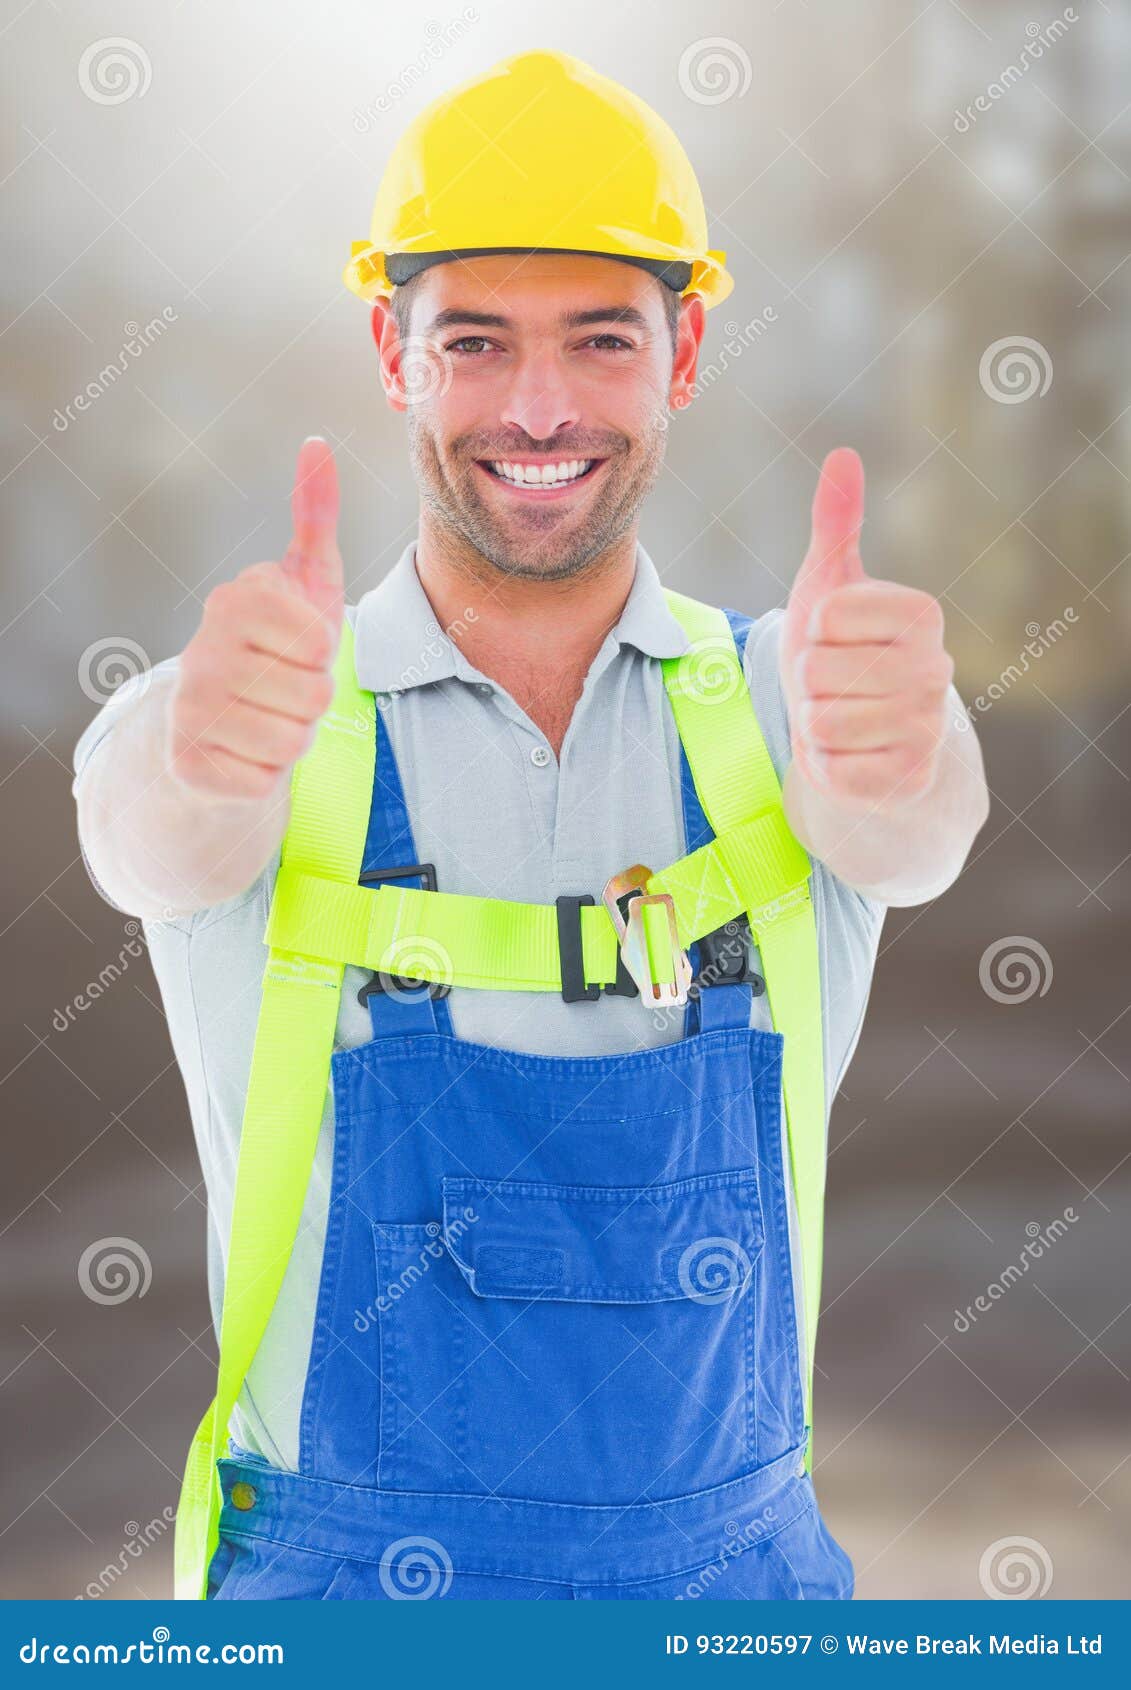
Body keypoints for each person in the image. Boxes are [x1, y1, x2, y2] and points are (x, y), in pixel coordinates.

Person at [72, 49, 989, 1602]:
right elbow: (147, 833)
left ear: (685, 351)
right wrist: (207, 760)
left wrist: (900, 757)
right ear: (391, 349)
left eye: (600, 338)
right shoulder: (257, 710)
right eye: (478, 341)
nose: (541, 406)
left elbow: (915, 829)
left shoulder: (792, 705)